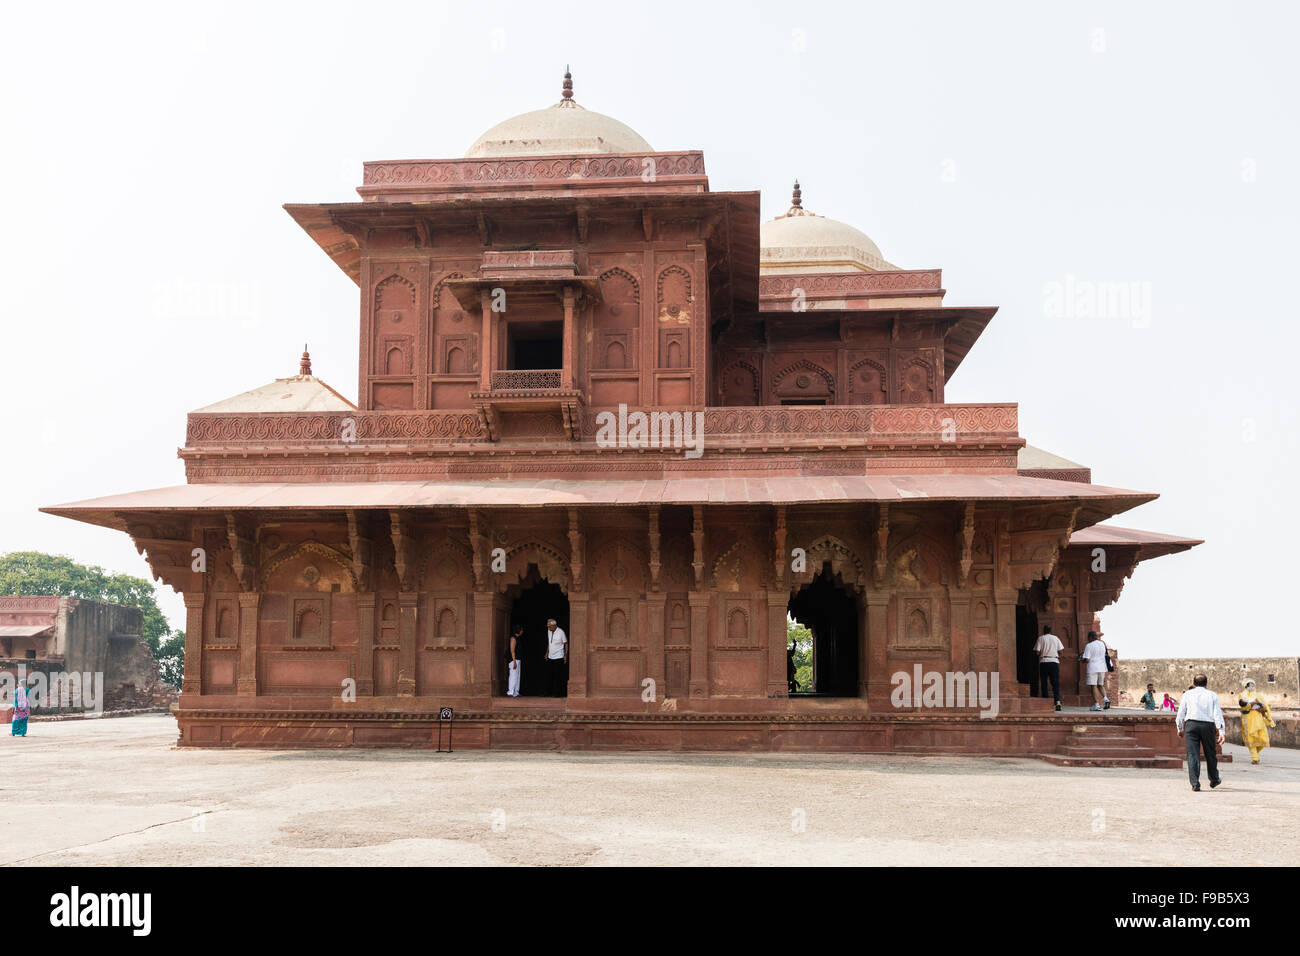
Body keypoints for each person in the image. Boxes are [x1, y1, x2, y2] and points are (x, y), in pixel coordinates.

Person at [1176, 673, 1224, 791]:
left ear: (1193, 684)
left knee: (1192, 755)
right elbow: (1217, 714)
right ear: (1206, 684)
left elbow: (1181, 712)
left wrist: (1179, 728)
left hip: (1191, 725)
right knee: (1210, 754)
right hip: (1208, 726)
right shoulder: (1212, 695)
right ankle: (1214, 779)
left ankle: (1195, 783)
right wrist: (1221, 731)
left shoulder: (1187, 694)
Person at [1239, 678, 1275, 765]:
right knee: (1251, 738)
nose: (1252, 687)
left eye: (1253, 685)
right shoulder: (1242, 695)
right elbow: (1242, 706)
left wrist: (1264, 711)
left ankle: (1255, 755)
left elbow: (1265, 706)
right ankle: (1255, 758)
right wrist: (1251, 705)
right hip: (1248, 718)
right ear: (1246, 686)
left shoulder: (1258, 695)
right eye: (1251, 685)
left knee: (1263, 739)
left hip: (1258, 718)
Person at [1033, 624, 1064, 711]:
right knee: (1055, 682)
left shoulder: (1041, 638)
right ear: (1051, 631)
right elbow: (1061, 651)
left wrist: (1044, 651)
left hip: (1044, 662)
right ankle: (1057, 701)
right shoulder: (1056, 638)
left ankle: (1045, 701)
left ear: (1044, 631)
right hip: (1054, 661)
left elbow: (1037, 652)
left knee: (1044, 682)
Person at [1079, 630, 1110, 711]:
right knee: (1100, 685)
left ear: (1090, 637)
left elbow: (1087, 659)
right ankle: (1106, 699)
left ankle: (1096, 704)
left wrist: (1081, 660)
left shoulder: (1089, 645)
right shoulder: (1102, 644)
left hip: (1093, 668)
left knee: (1094, 686)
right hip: (1102, 667)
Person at [543, 618, 568, 697]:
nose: (548, 628)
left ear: (554, 625)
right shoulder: (549, 631)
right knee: (549, 676)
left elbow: (566, 644)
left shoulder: (561, 632)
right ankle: (547, 692)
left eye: (549, 626)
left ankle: (557, 693)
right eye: (547, 626)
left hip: (559, 656)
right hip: (550, 656)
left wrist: (565, 655)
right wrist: (547, 653)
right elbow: (549, 643)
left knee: (558, 677)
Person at [506, 624, 523, 697]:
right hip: (514, 660)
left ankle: (516, 692)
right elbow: (512, 650)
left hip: (518, 659)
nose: (522, 631)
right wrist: (514, 661)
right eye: (521, 630)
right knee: (513, 675)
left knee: (517, 676)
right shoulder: (513, 638)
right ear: (518, 630)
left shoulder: (518, 638)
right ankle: (510, 692)